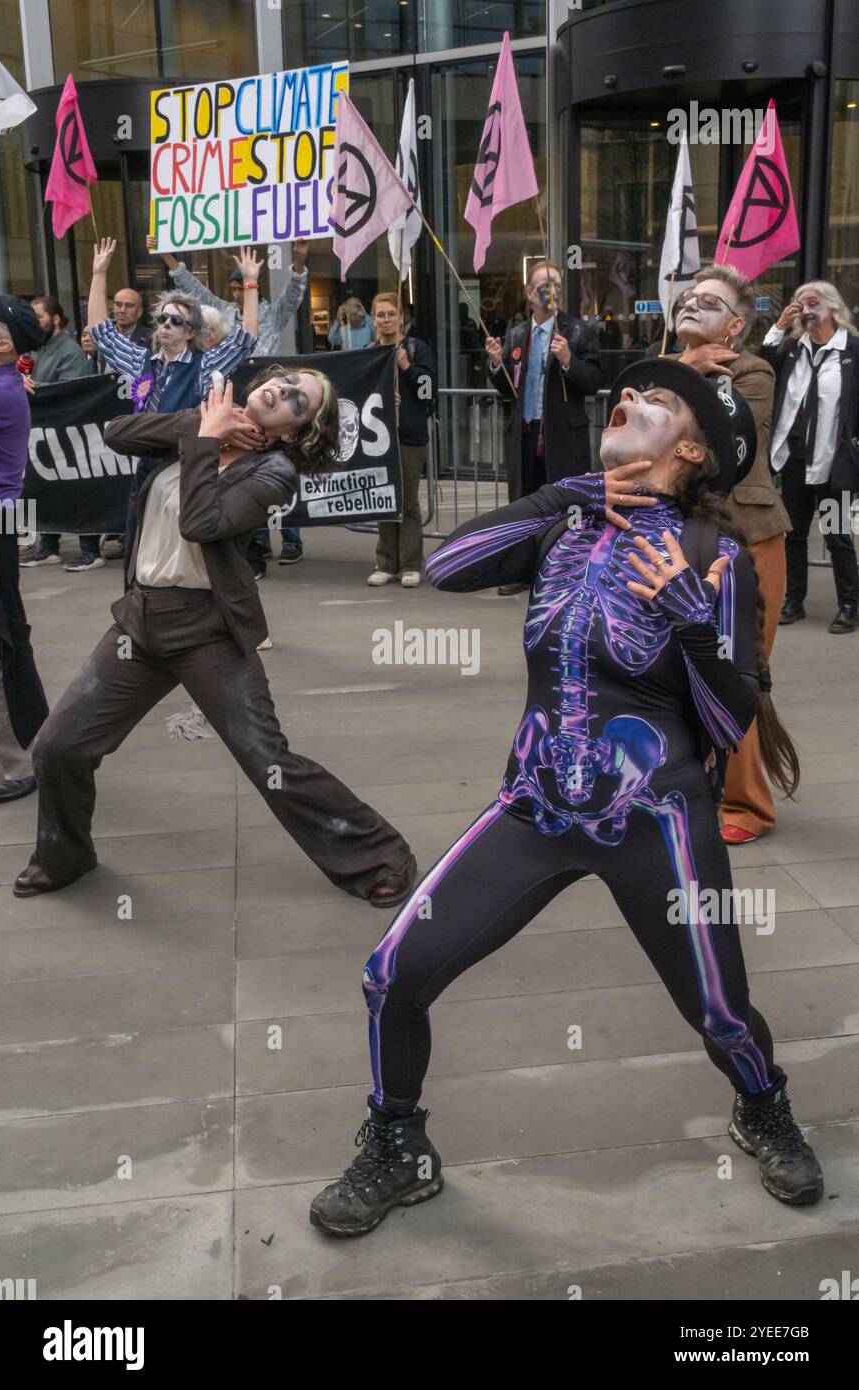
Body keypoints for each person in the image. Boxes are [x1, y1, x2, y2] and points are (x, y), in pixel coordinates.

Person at [310, 358, 822, 1239]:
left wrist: (689, 621)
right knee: (391, 975)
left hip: (654, 819)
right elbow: (450, 567)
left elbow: (731, 720)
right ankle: (399, 1145)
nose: (627, 398)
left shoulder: (715, 555)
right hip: (535, 808)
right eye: (626, 392)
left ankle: (763, 1108)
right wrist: (570, 494)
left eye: (655, 401)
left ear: (694, 449)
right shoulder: (565, 525)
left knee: (722, 1012)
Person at [12, 372, 417, 909]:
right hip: (140, 622)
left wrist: (205, 441)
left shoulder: (272, 471)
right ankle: (65, 855)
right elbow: (116, 431)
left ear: (292, 434)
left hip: (208, 630)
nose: (281, 389)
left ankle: (382, 856)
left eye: (297, 400)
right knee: (60, 746)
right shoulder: (201, 431)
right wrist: (208, 425)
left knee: (268, 762)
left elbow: (201, 522)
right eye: (287, 380)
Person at [669, 264, 791, 847]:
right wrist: (677, 371)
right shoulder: (665, 368)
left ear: (735, 326)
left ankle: (748, 803)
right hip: (680, 536)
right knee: (673, 665)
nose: (691, 304)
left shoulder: (754, 371)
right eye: (688, 298)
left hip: (748, 535)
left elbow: (724, 443)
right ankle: (688, 787)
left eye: (708, 301)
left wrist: (683, 377)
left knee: (739, 669)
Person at [88, 238, 260, 572]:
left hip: (187, 469)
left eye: (176, 321)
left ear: (191, 332)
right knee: (138, 544)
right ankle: (136, 612)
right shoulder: (142, 363)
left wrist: (251, 283)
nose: (166, 325)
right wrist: (99, 273)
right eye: (163, 318)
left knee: (185, 551)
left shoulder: (204, 365)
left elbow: (246, 338)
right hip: (147, 467)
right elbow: (100, 333)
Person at [485, 262, 602, 594]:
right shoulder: (517, 334)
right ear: (528, 294)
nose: (551, 292)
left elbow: (593, 381)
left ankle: (564, 572)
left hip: (562, 437)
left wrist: (568, 360)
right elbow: (509, 389)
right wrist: (496, 364)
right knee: (524, 504)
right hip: (525, 434)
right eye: (543, 286)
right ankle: (522, 571)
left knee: (563, 506)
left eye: (556, 286)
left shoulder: (578, 332)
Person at [759, 281, 859, 634]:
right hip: (796, 460)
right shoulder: (790, 349)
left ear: (832, 308)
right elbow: (760, 364)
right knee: (795, 535)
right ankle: (794, 601)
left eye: (813, 302)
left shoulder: (851, 351)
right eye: (799, 302)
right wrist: (779, 326)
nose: (805, 308)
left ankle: (849, 604)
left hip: (833, 465)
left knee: (836, 535)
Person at [0, 292, 49, 804]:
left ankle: (17, 764)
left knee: (2, 638)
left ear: (3, 342)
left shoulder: (0, 390)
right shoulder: (4, 383)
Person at [18, 298, 101, 572]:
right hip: (41, 433)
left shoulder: (69, 351)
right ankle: (48, 546)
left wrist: (35, 386)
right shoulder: (35, 350)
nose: (34, 321)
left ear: (55, 319)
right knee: (44, 488)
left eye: (38, 315)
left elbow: (70, 391)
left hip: (70, 434)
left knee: (76, 489)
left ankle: (90, 549)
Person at [366, 292, 436, 589]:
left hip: (409, 436)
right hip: (379, 438)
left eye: (391, 314)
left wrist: (407, 367)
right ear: (373, 320)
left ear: (401, 317)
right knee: (384, 499)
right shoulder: (368, 352)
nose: (385, 320)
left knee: (407, 502)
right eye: (380, 315)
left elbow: (428, 390)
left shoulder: (416, 349)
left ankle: (410, 563)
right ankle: (385, 562)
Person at [148, 235, 309, 358]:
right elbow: (192, 286)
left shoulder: (274, 315)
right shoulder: (224, 311)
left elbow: (293, 294)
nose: (238, 294)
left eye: (242, 289)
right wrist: (165, 255)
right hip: (228, 378)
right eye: (234, 289)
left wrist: (299, 261)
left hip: (262, 379)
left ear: (256, 289)